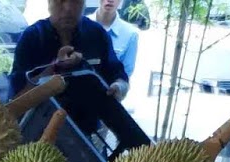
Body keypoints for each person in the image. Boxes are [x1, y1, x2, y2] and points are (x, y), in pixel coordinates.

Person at [10, 0, 129, 132]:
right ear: (49, 3)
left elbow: (119, 76)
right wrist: (54, 68)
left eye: (75, 1)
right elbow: (17, 99)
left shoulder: (97, 34)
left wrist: (118, 87)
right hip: (37, 131)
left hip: (87, 133)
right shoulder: (33, 37)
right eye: (60, 1)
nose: (68, 8)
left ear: (84, 4)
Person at [91, 0, 139, 94]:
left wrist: (118, 86)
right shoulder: (80, 25)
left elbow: (126, 73)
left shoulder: (130, 34)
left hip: (109, 95)